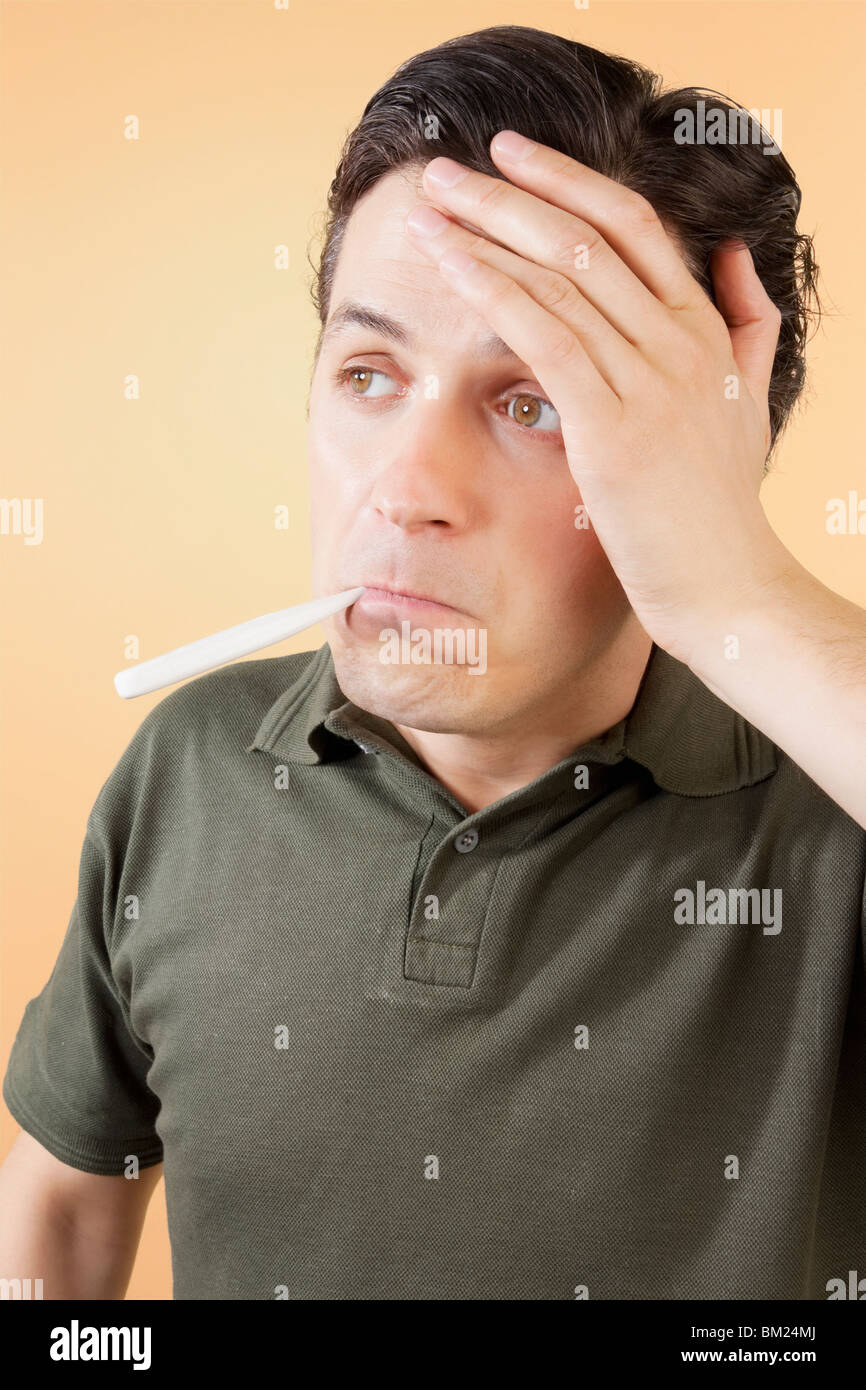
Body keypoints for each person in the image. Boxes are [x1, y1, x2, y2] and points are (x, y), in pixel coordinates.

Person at [2, 24, 864, 1301]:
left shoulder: (823, 817)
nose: (405, 491)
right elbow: (61, 1226)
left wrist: (735, 586)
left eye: (534, 403)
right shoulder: (183, 776)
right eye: (367, 372)